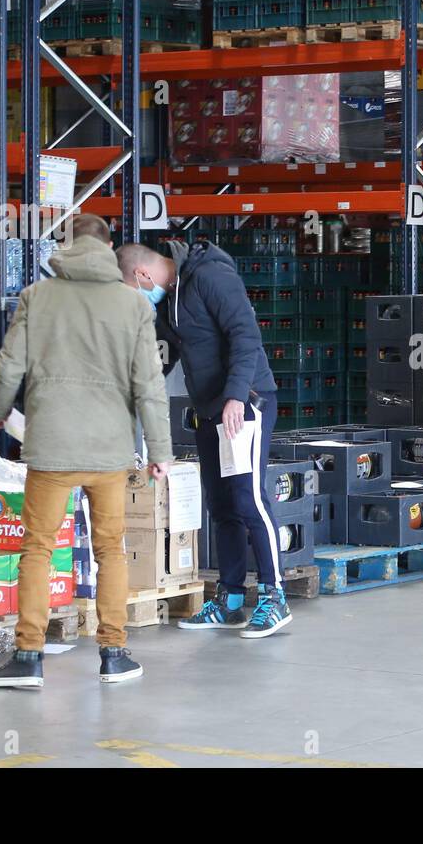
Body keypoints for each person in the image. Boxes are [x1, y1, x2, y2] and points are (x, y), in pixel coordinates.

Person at [0, 213, 172, 689]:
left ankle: (28, 657)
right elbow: (149, 387)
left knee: (38, 549)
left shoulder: (37, 297)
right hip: (108, 453)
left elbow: (9, 366)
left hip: (51, 450)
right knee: (110, 549)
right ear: (109, 250)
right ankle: (114, 653)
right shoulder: (133, 307)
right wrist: (160, 451)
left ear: (67, 247)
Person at [116, 240, 289, 638]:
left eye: (135, 288)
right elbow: (167, 350)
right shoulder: (172, 296)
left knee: (248, 497)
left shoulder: (211, 275)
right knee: (221, 502)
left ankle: (273, 596)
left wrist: (235, 396)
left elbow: (245, 336)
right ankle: (229, 600)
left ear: (142, 275)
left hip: (245, 402)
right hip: (210, 407)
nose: (141, 296)